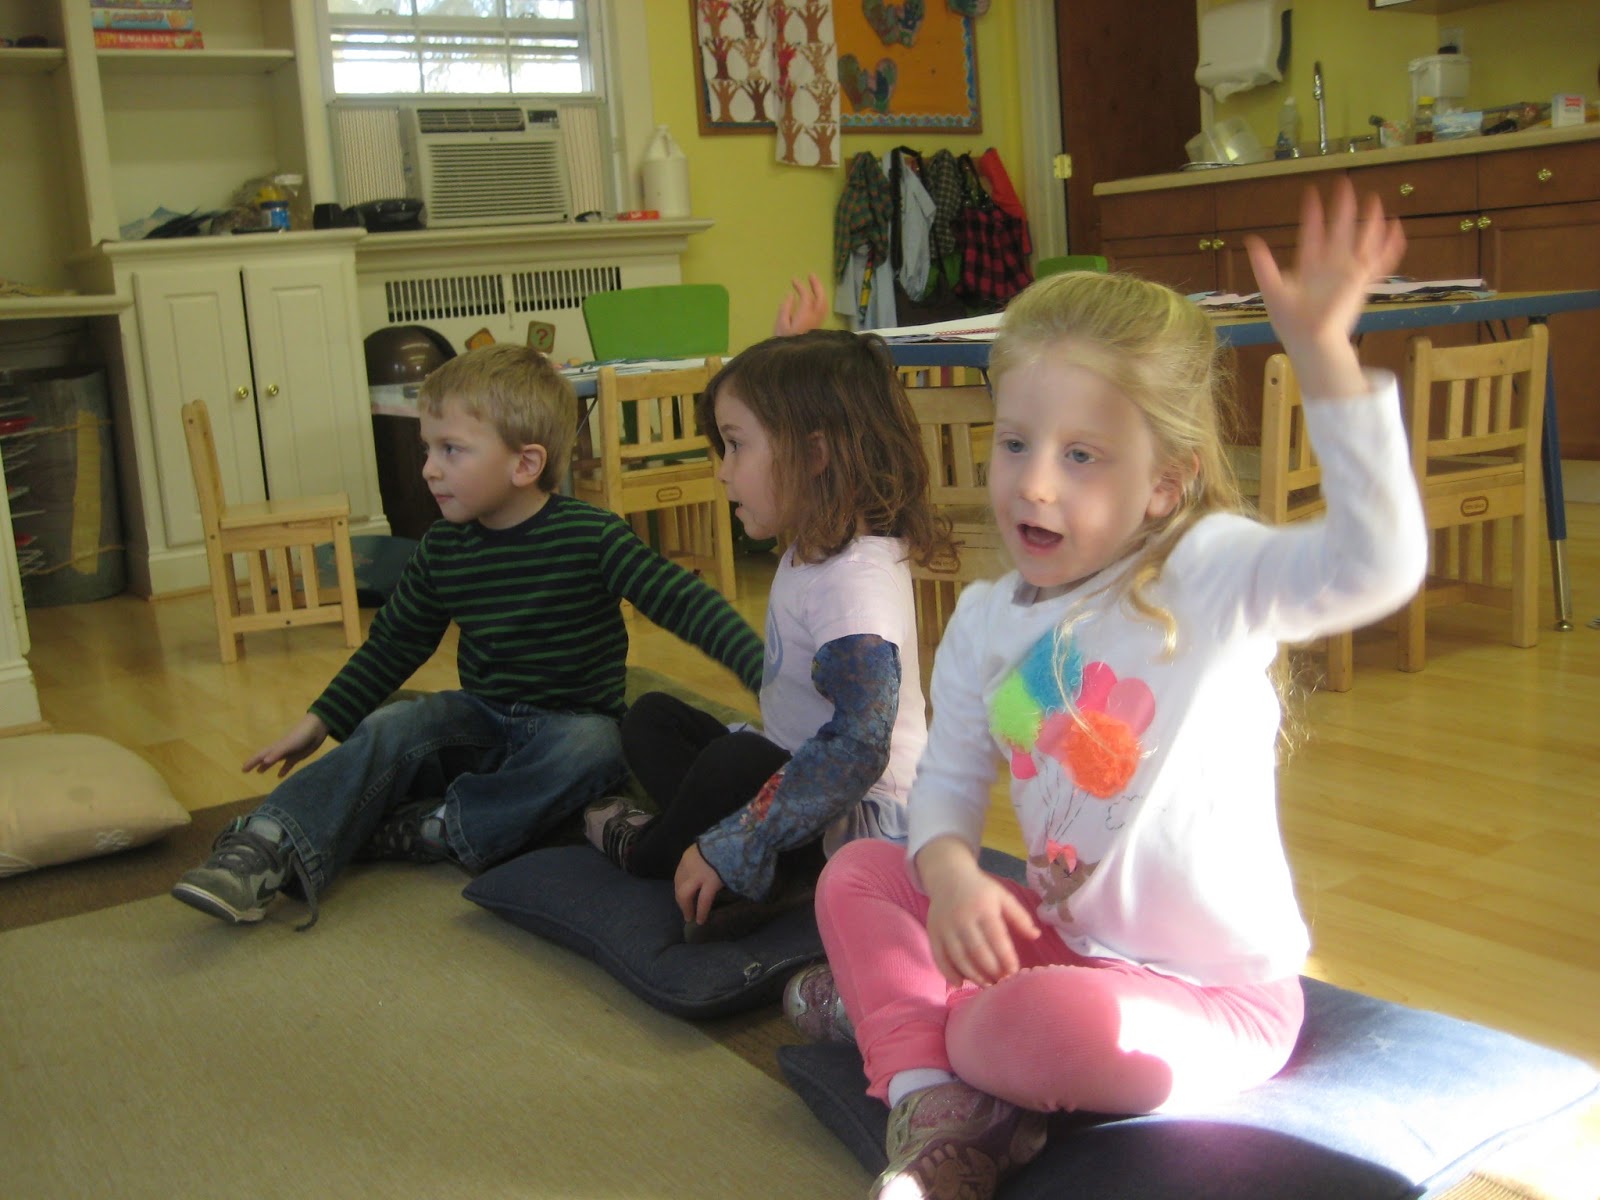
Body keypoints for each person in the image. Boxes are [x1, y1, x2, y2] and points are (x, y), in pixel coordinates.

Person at [788, 180, 1427, 1200]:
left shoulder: (1207, 572)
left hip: (1213, 1000)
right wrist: (950, 876)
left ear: (1163, 482)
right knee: (860, 873)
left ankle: (898, 1022)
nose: (1035, 483)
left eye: (1081, 456)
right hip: (1066, 942)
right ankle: (932, 1098)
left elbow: (1375, 567)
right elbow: (945, 790)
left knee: (1026, 1026)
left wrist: (1328, 368)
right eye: (1015, 444)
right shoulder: (989, 624)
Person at [172, 343, 764, 929]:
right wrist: (319, 720)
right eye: (428, 448)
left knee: (599, 748)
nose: (430, 467)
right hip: (480, 718)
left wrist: (758, 664)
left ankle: (442, 830)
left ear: (525, 465)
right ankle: (265, 844)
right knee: (391, 723)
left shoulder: (593, 536)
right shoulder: (441, 547)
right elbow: (395, 643)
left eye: (451, 450)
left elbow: (681, 600)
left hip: (567, 727)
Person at [582, 329, 950, 942]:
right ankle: (749, 861)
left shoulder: (854, 586)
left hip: (857, 819)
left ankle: (658, 851)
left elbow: (859, 748)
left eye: (735, 447)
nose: (722, 472)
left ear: (813, 455)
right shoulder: (816, 546)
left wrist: (738, 837)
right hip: (792, 770)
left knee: (738, 762)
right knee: (652, 718)